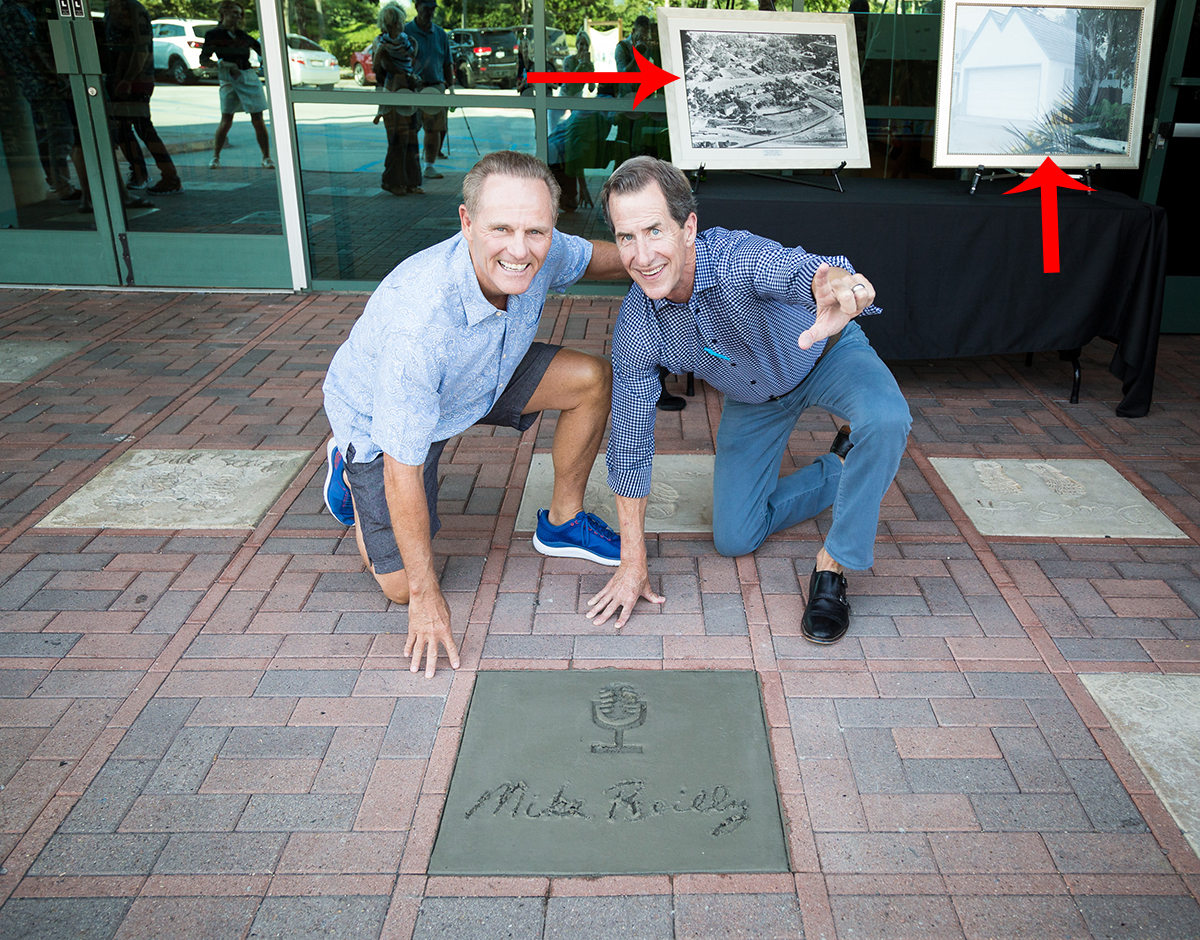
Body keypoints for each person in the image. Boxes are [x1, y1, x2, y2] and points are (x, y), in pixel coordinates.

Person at [321, 151, 628, 678]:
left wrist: (668, 255)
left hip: (482, 374)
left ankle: (563, 523)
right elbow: (403, 471)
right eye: (500, 229)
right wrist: (426, 597)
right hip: (382, 420)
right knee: (398, 587)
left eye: (536, 231)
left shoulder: (541, 249)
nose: (518, 249)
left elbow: (604, 258)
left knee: (592, 379)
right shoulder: (419, 328)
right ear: (466, 222)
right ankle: (346, 469)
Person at [589, 157, 912, 644]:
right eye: (626, 237)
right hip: (755, 398)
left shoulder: (732, 258)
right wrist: (633, 563)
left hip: (822, 353)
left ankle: (835, 564)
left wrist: (840, 287)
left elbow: (794, 270)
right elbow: (630, 444)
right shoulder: (639, 323)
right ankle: (843, 465)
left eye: (655, 230)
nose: (642, 254)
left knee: (887, 419)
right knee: (735, 537)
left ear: (688, 226)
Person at [104, 0, 183, 195]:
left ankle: (165, 175)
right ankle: (147, 173)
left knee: (140, 127)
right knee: (126, 128)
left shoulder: (131, 7)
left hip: (133, 80)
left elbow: (141, 48)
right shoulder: (115, 7)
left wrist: (128, 79)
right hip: (123, 78)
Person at [200, 0, 274, 170]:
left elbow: (262, 50)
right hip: (229, 78)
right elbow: (203, 59)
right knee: (226, 118)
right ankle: (215, 156)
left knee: (258, 118)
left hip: (247, 76)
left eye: (239, 14)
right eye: (234, 12)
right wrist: (222, 65)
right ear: (223, 13)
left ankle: (266, 157)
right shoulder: (214, 34)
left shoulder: (242, 35)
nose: (238, 17)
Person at [372, 2, 422, 196]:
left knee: (410, 139)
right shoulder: (381, 43)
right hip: (392, 96)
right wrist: (407, 76)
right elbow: (383, 67)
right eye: (399, 21)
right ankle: (393, 181)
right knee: (397, 141)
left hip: (406, 94)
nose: (402, 24)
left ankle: (411, 181)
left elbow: (412, 59)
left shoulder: (403, 40)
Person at [404, 0, 452, 182]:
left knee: (434, 129)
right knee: (411, 129)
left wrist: (451, 88)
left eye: (432, 9)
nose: (430, 12)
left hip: (436, 87)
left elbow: (448, 62)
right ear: (417, 7)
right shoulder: (406, 31)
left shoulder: (440, 34)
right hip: (413, 89)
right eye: (426, 8)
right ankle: (410, 166)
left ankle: (429, 166)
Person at [560, 31, 595, 98]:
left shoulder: (588, 65)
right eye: (581, 44)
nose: (584, 48)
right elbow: (568, 85)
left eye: (586, 45)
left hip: (578, 98)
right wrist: (579, 68)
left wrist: (591, 73)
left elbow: (591, 89)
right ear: (577, 45)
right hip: (564, 97)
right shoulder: (568, 60)